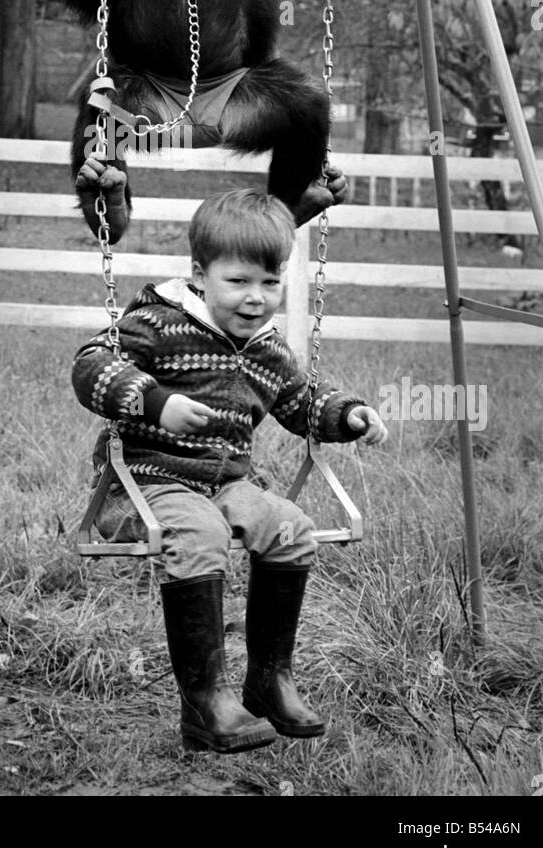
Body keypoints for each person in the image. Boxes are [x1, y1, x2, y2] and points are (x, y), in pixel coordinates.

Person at [72, 183, 388, 754]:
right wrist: (154, 400)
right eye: (238, 281)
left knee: (291, 528)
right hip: (144, 484)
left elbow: (300, 402)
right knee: (199, 532)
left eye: (270, 282)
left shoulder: (267, 350)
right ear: (199, 274)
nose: (256, 298)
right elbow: (91, 365)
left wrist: (349, 415)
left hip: (225, 483)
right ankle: (205, 701)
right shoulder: (158, 324)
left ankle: (269, 682)